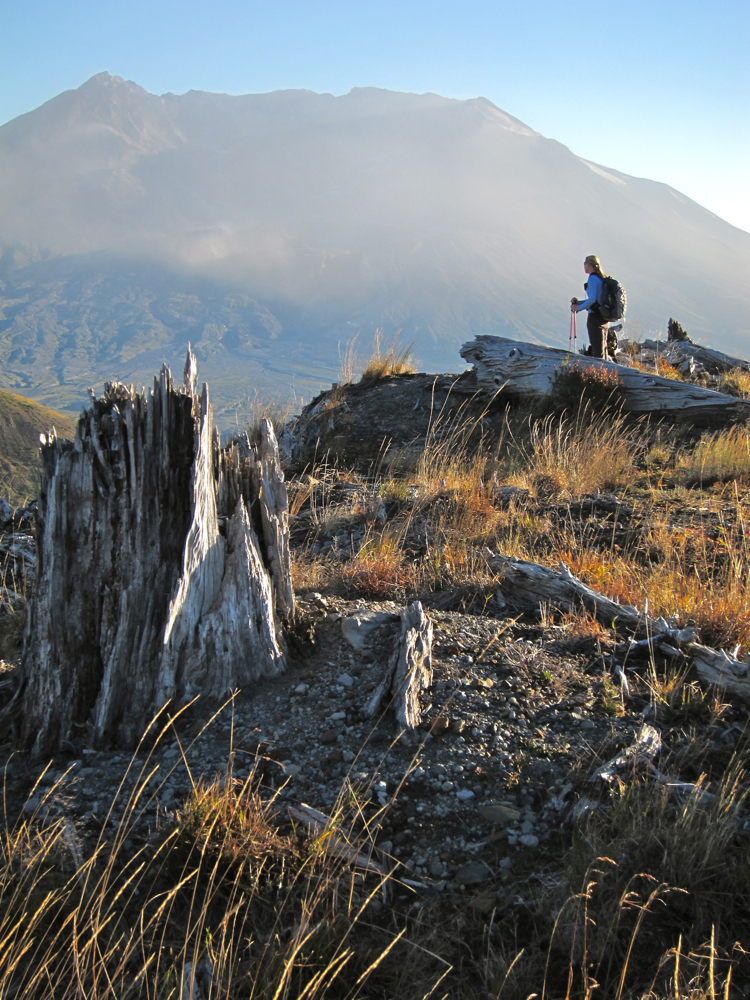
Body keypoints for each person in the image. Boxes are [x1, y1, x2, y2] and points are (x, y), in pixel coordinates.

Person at [571, 255, 609, 359]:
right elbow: (596, 299)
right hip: (603, 317)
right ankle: (606, 371)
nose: (584, 266)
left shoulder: (592, 278)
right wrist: (579, 303)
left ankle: (599, 373)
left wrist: (578, 308)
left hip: (594, 318)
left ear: (589, 265)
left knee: (598, 351)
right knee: (603, 349)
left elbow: (592, 299)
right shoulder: (601, 278)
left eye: (585, 263)